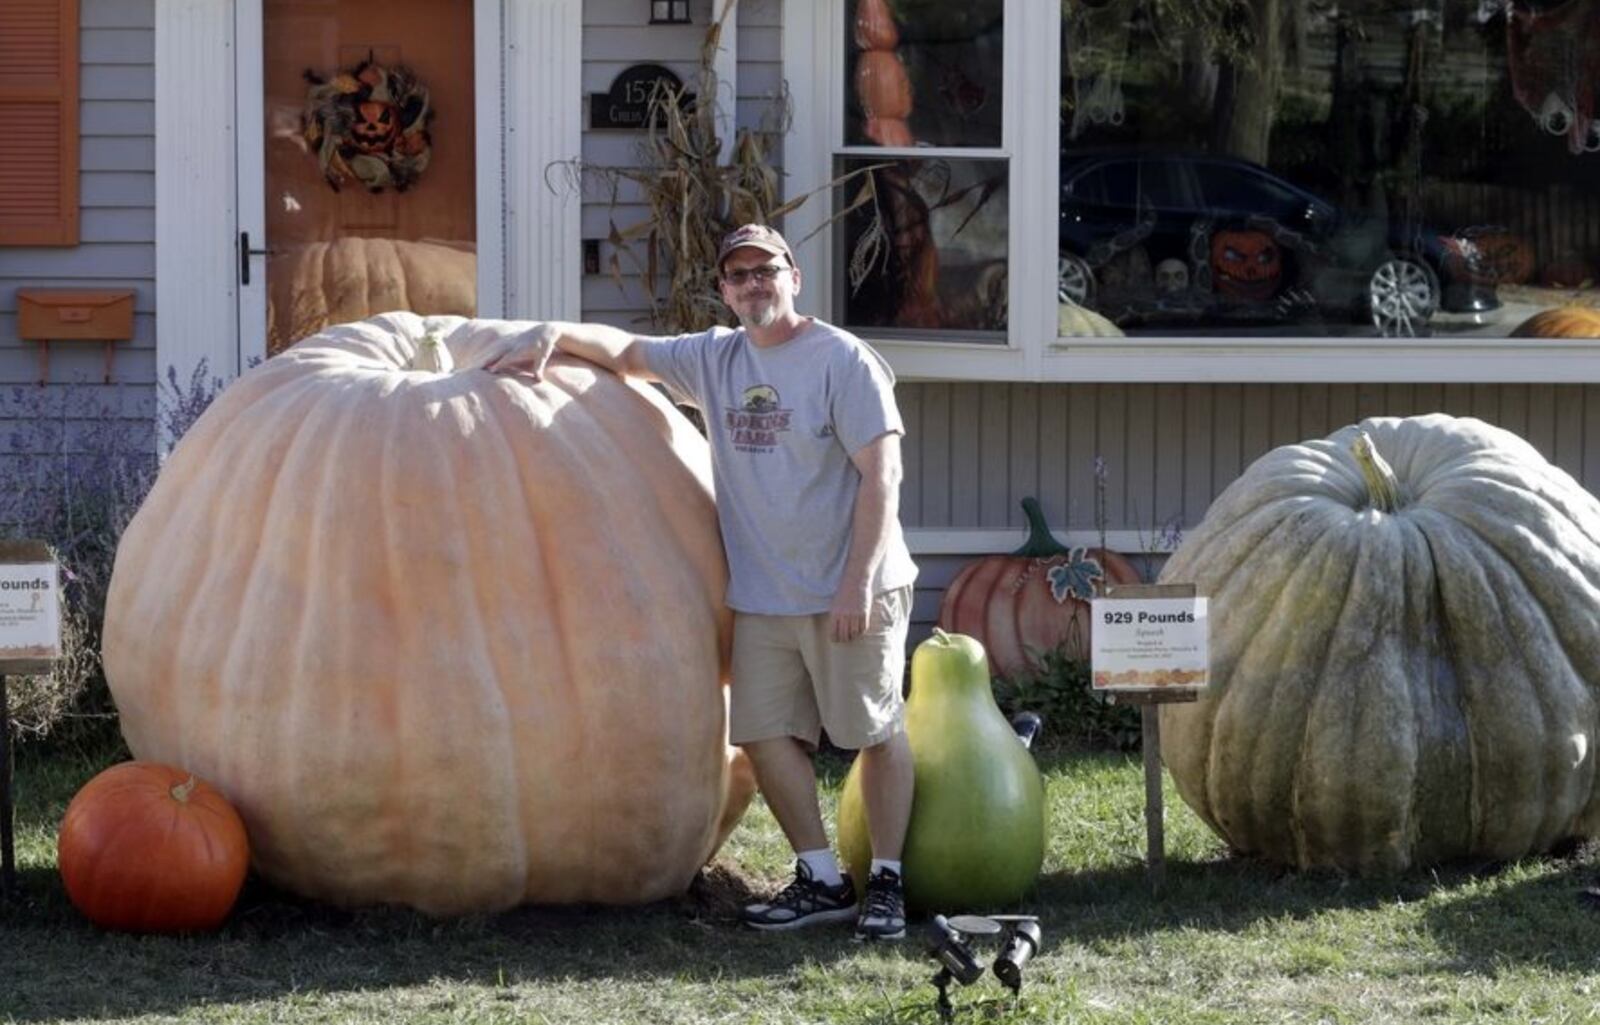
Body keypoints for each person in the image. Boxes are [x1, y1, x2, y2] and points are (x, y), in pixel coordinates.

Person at [482, 223, 919, 941]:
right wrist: (546, 335)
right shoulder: (714, 358)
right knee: (761, 732)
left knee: (873, 730)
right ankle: (823, 878)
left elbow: (884, 474)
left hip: (850, 582)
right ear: (724, 289)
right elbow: (625, 352)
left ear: (794, 276)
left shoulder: (843, 361)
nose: (754, 284)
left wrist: (858, 581)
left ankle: (890, 884)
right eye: (738, 274)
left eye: (766, 270)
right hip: (764, 594)